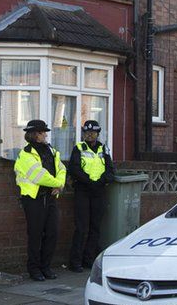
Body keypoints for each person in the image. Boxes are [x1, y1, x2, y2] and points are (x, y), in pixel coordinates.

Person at [14, 119, 66, 281]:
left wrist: (60, 184)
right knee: (35, 235)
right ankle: (34, 269)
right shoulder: (26, 154)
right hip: (33, 200)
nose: (45, 135)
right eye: (43, 132)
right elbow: (38, 175)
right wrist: (58, 184)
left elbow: (62, 168)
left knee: (52, 233)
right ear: (35, 134)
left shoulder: (51, 150)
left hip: (50, 198)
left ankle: (46, 267)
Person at [67, 120, 115, 272]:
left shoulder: (104, 149)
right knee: (81, 227)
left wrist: (100, 181)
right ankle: (75, 262)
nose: (89, 135)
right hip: (83, 190)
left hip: (98, 192)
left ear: (97, 134)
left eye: (92, 133)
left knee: (95, 228)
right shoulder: (79, 148)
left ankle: (88, 259)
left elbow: (110, 171)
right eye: (87, 133)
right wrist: (89, 181)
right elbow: (74, 169)